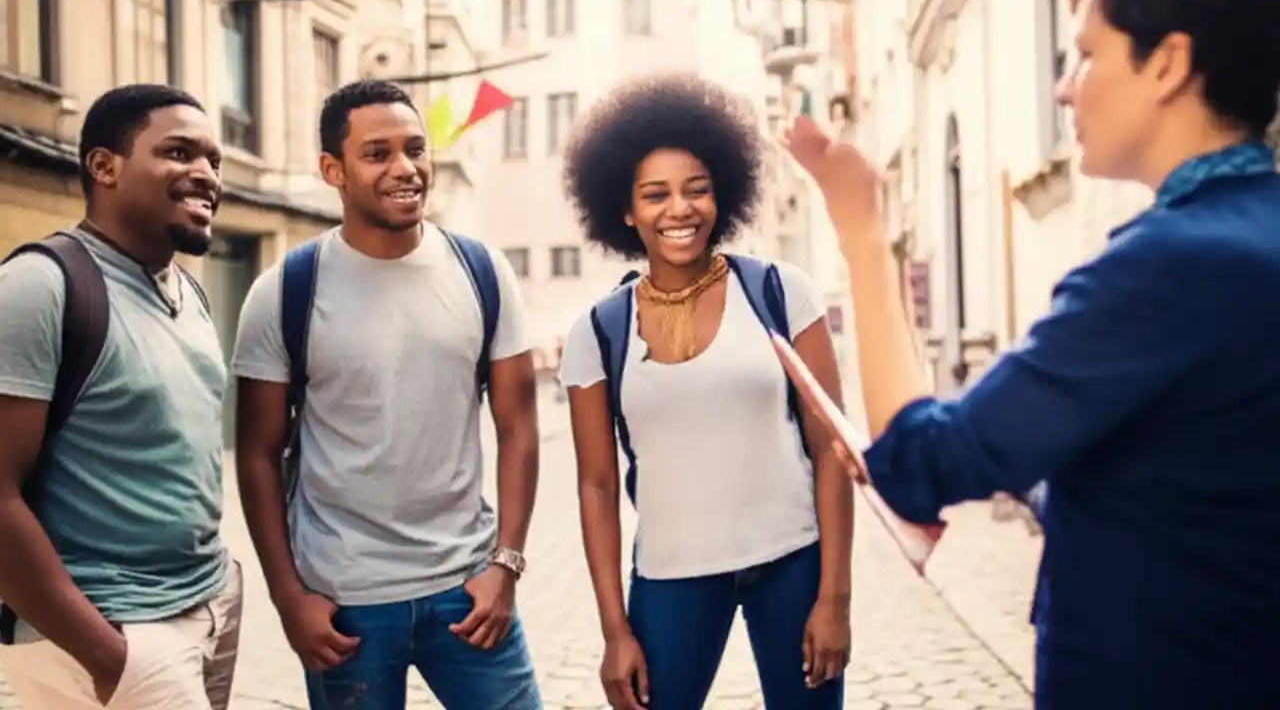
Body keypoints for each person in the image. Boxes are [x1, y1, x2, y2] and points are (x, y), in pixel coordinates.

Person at [783, 0, 1280, 708]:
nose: (1063, 85)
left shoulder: (1166, 266)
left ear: (1168, 63)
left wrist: (862, 230)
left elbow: (920, 463)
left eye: (1084, 54)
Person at [231, 79, 541, 709]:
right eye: (377, 153)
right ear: (332, 169)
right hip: (345, 604)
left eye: (415, 149)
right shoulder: (285, 288)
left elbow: (519, 427)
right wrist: (289, 598)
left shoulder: (482, 271)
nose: (405, 168)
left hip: (467, 588)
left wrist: (505, 565)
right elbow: (256, 456)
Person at [559, 73, 855, 710]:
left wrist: (834, 597)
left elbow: (831, 446)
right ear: (625, 209)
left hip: (793, 562)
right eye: (655, 195)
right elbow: (597, 485)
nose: (679, 210)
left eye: (697, 190)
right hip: (672, 575)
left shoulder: (782, 292)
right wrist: (615, 631)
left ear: (722, 193)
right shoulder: (596, 333)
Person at [0, 84, 242, 709]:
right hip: (110, 630)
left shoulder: (189, 293)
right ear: (104, 166)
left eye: (213, 161)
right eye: (179, 152)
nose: (205, 174)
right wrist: (106, 654)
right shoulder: (41, 285)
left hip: (206, 603)